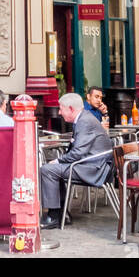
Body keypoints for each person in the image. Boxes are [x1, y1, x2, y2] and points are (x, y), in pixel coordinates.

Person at [39, 91, 113, 229]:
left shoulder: (84, 121)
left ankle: (53, 216)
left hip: (94, 169)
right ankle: (62, 213)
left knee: (47, 170)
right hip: (94, 165)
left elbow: (79, 152)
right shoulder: (84, 118)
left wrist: (59, 161)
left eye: (61, 109)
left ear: (71, 109)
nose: (59, 113)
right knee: (53, 171)